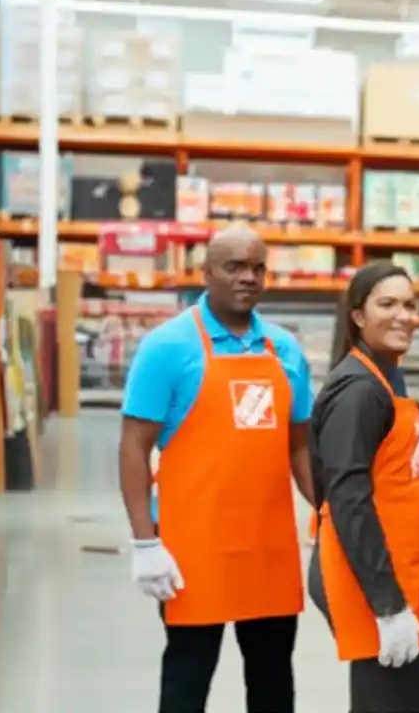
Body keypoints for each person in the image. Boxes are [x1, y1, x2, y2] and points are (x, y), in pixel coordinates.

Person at [119, 224, 316, 713]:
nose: (247, 277)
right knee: (188, 679)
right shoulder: (167, 347)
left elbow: (300, 449)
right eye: (234, 267)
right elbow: (133, 447)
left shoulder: (284, 350)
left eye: (257, 267)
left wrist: (332, 514)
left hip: (268, 547)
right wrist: (145, 542)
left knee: (273, 682)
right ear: (205, 273)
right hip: (193, 549)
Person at [307, 260, 419, 713]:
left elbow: (397, 487)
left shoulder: (387, 375)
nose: (403, 315)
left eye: (411, 305)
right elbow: (348, 502)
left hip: (396, 570)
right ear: (357, 315)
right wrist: (387, 605)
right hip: (368, 577)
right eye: (387, 304)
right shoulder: (359, 392)